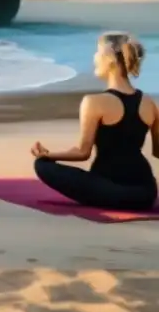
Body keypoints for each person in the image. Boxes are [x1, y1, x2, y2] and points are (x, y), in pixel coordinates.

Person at [31, 32, 157, 211]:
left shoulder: (93, 102)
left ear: (109, 59)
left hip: (108, 189)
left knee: (42, 165)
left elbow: (82, 152)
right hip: (145, 193)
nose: (94, 57)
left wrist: (47, 155)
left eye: (97, 52)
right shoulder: (149, 103)